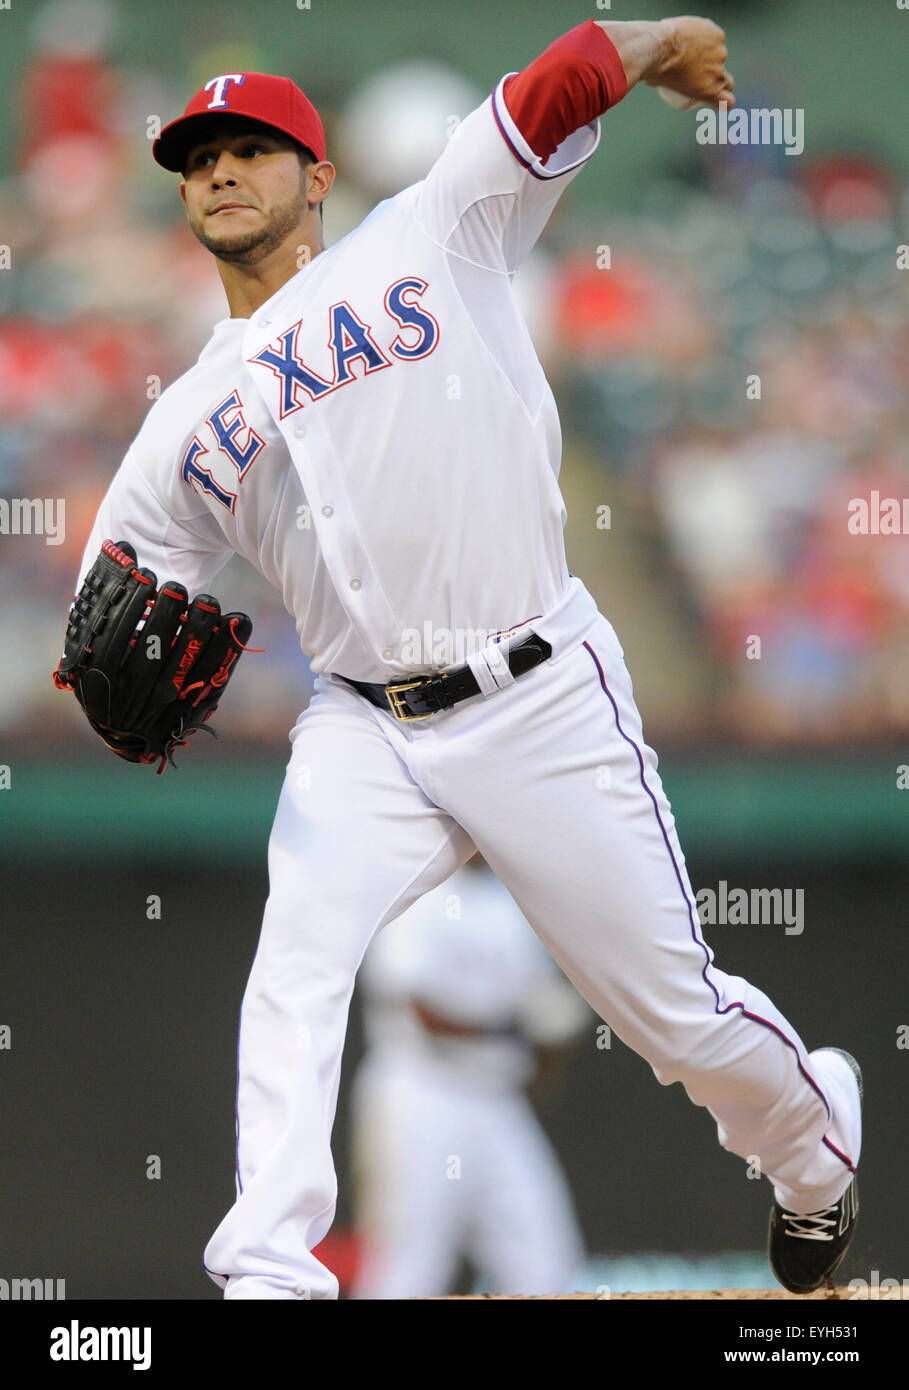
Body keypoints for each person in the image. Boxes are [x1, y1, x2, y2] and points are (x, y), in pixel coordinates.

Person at [70, 16, 861, 1299]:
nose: (221, 169)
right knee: (296, 965)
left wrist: (657, 44)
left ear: (316, 175)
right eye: (198, 153)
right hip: (363, 723)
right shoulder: (177, 426)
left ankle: (814, 1151)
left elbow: (551, 89)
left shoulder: (432, 229)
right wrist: (102, 671)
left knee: (674, 1015)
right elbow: (107, 607)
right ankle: (268, 1274)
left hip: (538, 689)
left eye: (252, 148)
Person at [350, 854, 589, 1298]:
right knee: (410, 1262)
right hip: (422, 1094)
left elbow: (537, 1014)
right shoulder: (416, 891)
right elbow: (418, 1008)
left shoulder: (513, 902)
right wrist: (508, 1029)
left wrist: (547, 1044)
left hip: (496, 1100)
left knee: (546, 1260)